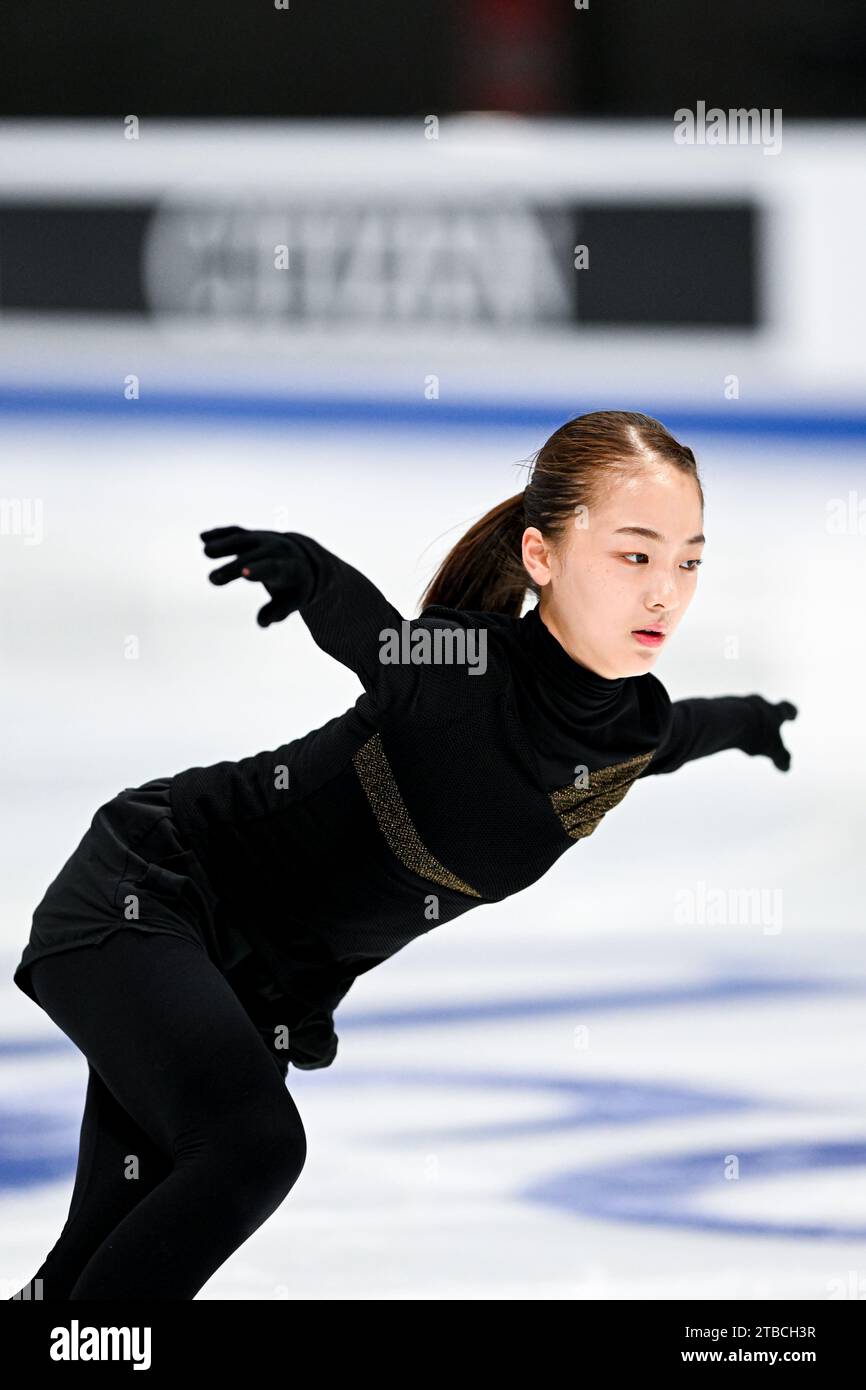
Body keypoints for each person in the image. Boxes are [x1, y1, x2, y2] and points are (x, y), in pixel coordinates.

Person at [9, 410, 797, 1300]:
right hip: (150, 894)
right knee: (249, 1148)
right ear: (542, 557)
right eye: (636, 555)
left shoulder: (633, 724)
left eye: (689, 561)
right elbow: (383, 646)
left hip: (248, 983)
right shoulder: (468, 666)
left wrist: (749, 721)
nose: (667, 592)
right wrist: (310, 571)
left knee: (94, 1258)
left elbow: (679, 734)